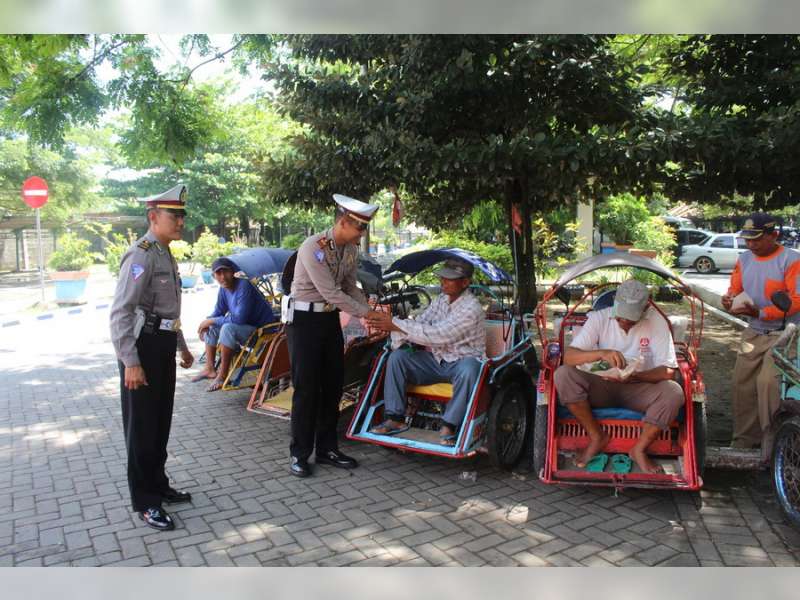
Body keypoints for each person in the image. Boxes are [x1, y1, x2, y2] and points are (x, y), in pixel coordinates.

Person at [109, 184, 195, 531]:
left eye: (182, 216)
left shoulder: (164, 253)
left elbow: (167, 311)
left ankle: (158, 484)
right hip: (141, 349)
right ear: (153, 217)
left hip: (162, 345)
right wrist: (130, 362)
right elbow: (121, 312)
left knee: (160, 422)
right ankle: (145, 502)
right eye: (174, 216)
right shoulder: (141, 255)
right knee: (142, 427)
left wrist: (182, 346)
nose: (181, 222)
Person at [285, 193, 384, 477]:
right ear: (343, 222)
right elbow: (330, 291)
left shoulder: (350, 250)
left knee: (332, 385)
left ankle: (327, 448)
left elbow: (350, 287)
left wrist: (370, 310)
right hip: (304, 322)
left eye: (364, 227)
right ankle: (300, 454)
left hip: (328, 320)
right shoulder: (313, 247)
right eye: (360, 227)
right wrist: (367, 314)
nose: (362, 233)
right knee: (306, 388)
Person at [554, 279, 684, 474]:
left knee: (674, 392)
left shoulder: (657, 321)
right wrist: (601, 353)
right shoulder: (600, 317)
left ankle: (639, 449)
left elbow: (668, 372)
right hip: (601, 385)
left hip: (639, 388)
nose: (623, 323)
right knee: (563, 374)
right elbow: (569, 357)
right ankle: (597, 436)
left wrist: (636, 376)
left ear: (645, 308)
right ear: (615, 302)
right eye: (620, 317)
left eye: (630, 319)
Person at [366, 258, 484, 446]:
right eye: (442, 277)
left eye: (449, 279)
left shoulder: (472, 308)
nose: (443, 282)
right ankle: (395, 418)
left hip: (461, 362)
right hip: (436, 360)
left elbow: (439, 335)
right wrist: (397, 326)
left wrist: (396, 325)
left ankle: (449, 426)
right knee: (398, 357)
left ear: (465, 282)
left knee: (470, 368)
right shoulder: (441, 300)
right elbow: (423, 322)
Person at [721, 213, 800, 449]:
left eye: (756, 239)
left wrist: (761, 313)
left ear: (773, 235)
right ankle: (745, 441)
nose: (751, 244)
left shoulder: (791, 260)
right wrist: (729, 300)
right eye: (747, 239)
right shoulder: (744, 259)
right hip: (754, 331)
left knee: (768, 383)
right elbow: (734, 289)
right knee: (741, 383)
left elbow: (796, 301)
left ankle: (774, 444)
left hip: (786, 334)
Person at [193, 257, 277, 391]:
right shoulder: (223, 289)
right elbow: (218, 312)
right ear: (214, 276)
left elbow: (239, 319)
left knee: (227, 328)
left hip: (262, 332)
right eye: (218, 273)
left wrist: (211, 320)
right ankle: (209, 368)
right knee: (212, 326)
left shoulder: (244, 285)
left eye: (225, 272)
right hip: (246, 329)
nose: (223, 277)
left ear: (233, 272)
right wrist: (206, 323)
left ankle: (222, 376)